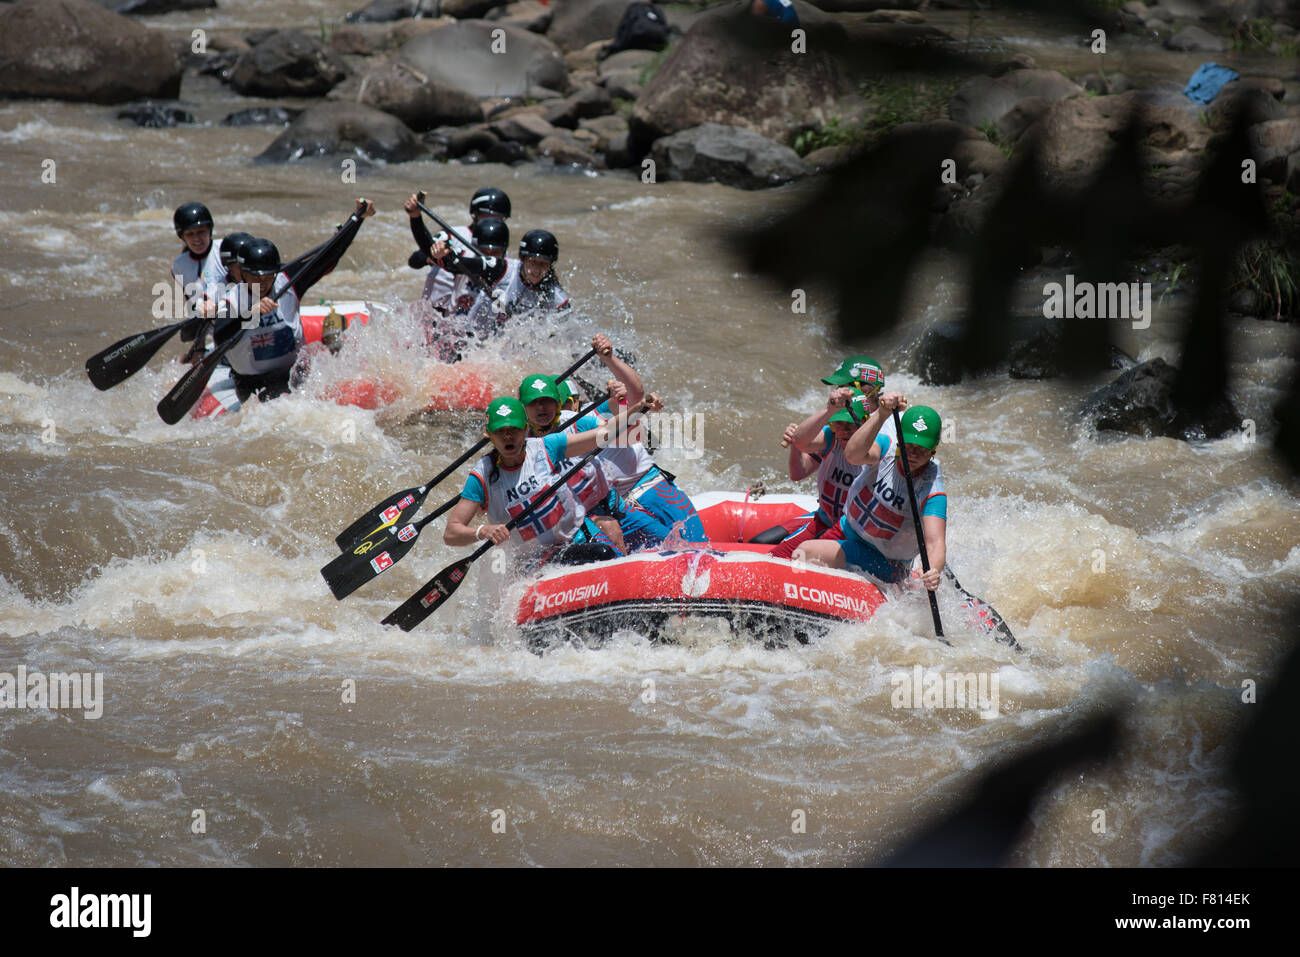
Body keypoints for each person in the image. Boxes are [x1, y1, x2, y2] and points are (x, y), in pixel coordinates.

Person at [444, 394, 648, 564]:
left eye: (514, 430)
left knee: (609, 546)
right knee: (601, 554)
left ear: (525, 429)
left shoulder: (546, 447)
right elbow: (451, 532)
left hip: (576, 536)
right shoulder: (482, 476)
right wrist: (483, 531)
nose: (508, 437)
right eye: (501, 432)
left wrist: (638, 407)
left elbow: (604, 433)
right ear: (489, 435)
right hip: (533, 560)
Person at [210, 199, 375, 406]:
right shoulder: (232, 300)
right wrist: (252, 313)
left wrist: (357, 218)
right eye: (255, 277)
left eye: (267, 276)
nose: (262, 283)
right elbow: (220, 334)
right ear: (242, 274)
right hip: (255, 385)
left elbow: (328, 256)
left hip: (296, 371)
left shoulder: (288, 281)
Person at [792, 396, 947, 592]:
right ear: (900, 441)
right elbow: (853, 455)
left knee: (805, 553)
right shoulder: (886, 446)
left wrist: (934, 570)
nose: (914, 454)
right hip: (847, 530)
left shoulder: (932, 487)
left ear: (933, 451)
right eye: (909, 446)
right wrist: (881, 415)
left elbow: (935, 542)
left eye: (921, 450)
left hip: (886, 562)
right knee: (799, 561)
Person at [404, 187, 511, 306]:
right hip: (434, 310)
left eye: (499, 218)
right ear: (475, 214)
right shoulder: (453, 235)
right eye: (487, 216)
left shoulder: (503, 255)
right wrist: (433, 257)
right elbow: (415, 259)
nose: (492, 221)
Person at [466, 228, 570, 327]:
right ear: (523, 259)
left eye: (543, 264)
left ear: (550, 265)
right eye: (533, 262)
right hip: (469, 337)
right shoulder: (503, 269)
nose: (537, 270)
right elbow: (466, 264)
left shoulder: (557, 298)